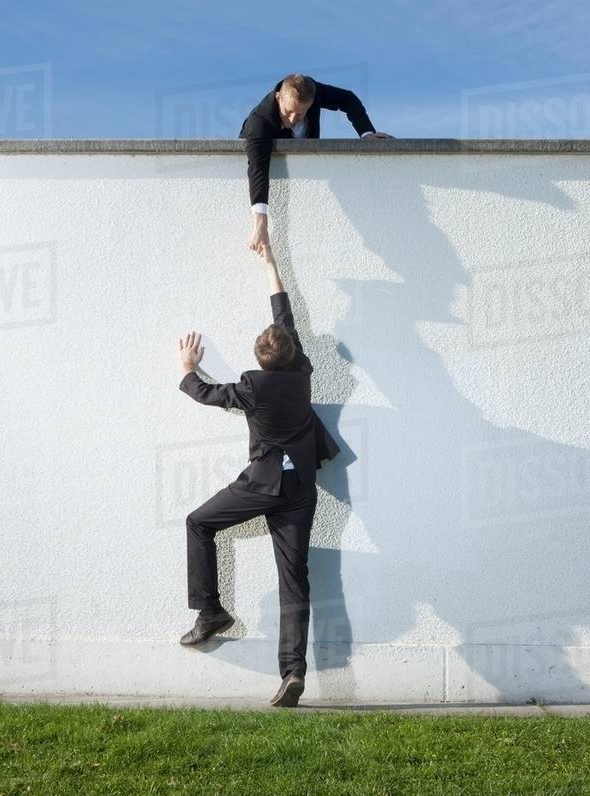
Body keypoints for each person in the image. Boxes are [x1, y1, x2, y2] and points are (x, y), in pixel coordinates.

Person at [176, 243, 341, 707]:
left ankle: (211, 612)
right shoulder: (302, 373)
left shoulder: (254, 385)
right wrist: (270, 265)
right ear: (292, 354)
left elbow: (210, 394)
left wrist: (188, 370)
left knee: (198, 523)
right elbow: (285, 318)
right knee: (296, 579)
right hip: (300, 490)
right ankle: (292, 673)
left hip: (262, 485)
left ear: (261, 359)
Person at [239, 73, 393, 254]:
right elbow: (258, 169)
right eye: (288, 112)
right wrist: (261, 224)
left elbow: (348, 100)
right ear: (278, 96)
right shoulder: (259, 122)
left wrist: (366, 134)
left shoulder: (314, 92)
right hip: (272, 170)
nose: (292, 120)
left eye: (301, 113)